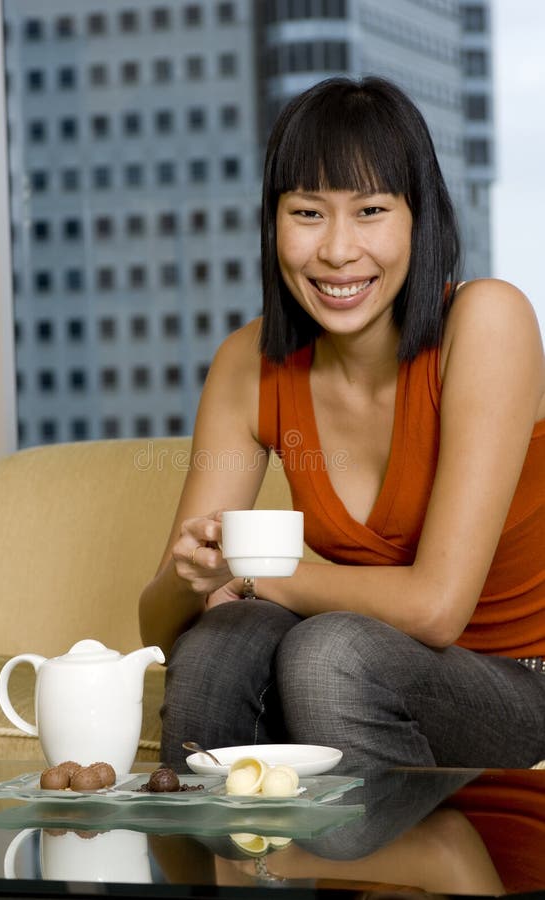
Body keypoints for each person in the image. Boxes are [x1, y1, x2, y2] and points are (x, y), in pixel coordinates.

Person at [139, 76, 545, 773]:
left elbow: (437, 607)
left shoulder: (487, 322)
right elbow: (163, 628)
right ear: (273, 224)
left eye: (370, 211)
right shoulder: (248, 363)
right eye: (307, 213)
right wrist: (191, 578)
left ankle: (389, 869)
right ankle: (222, 870)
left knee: (327, 652)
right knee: (217, 648)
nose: (336, 251)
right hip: (362, 667)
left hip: (520, 679)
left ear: (420, 218)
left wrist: (260, 578)